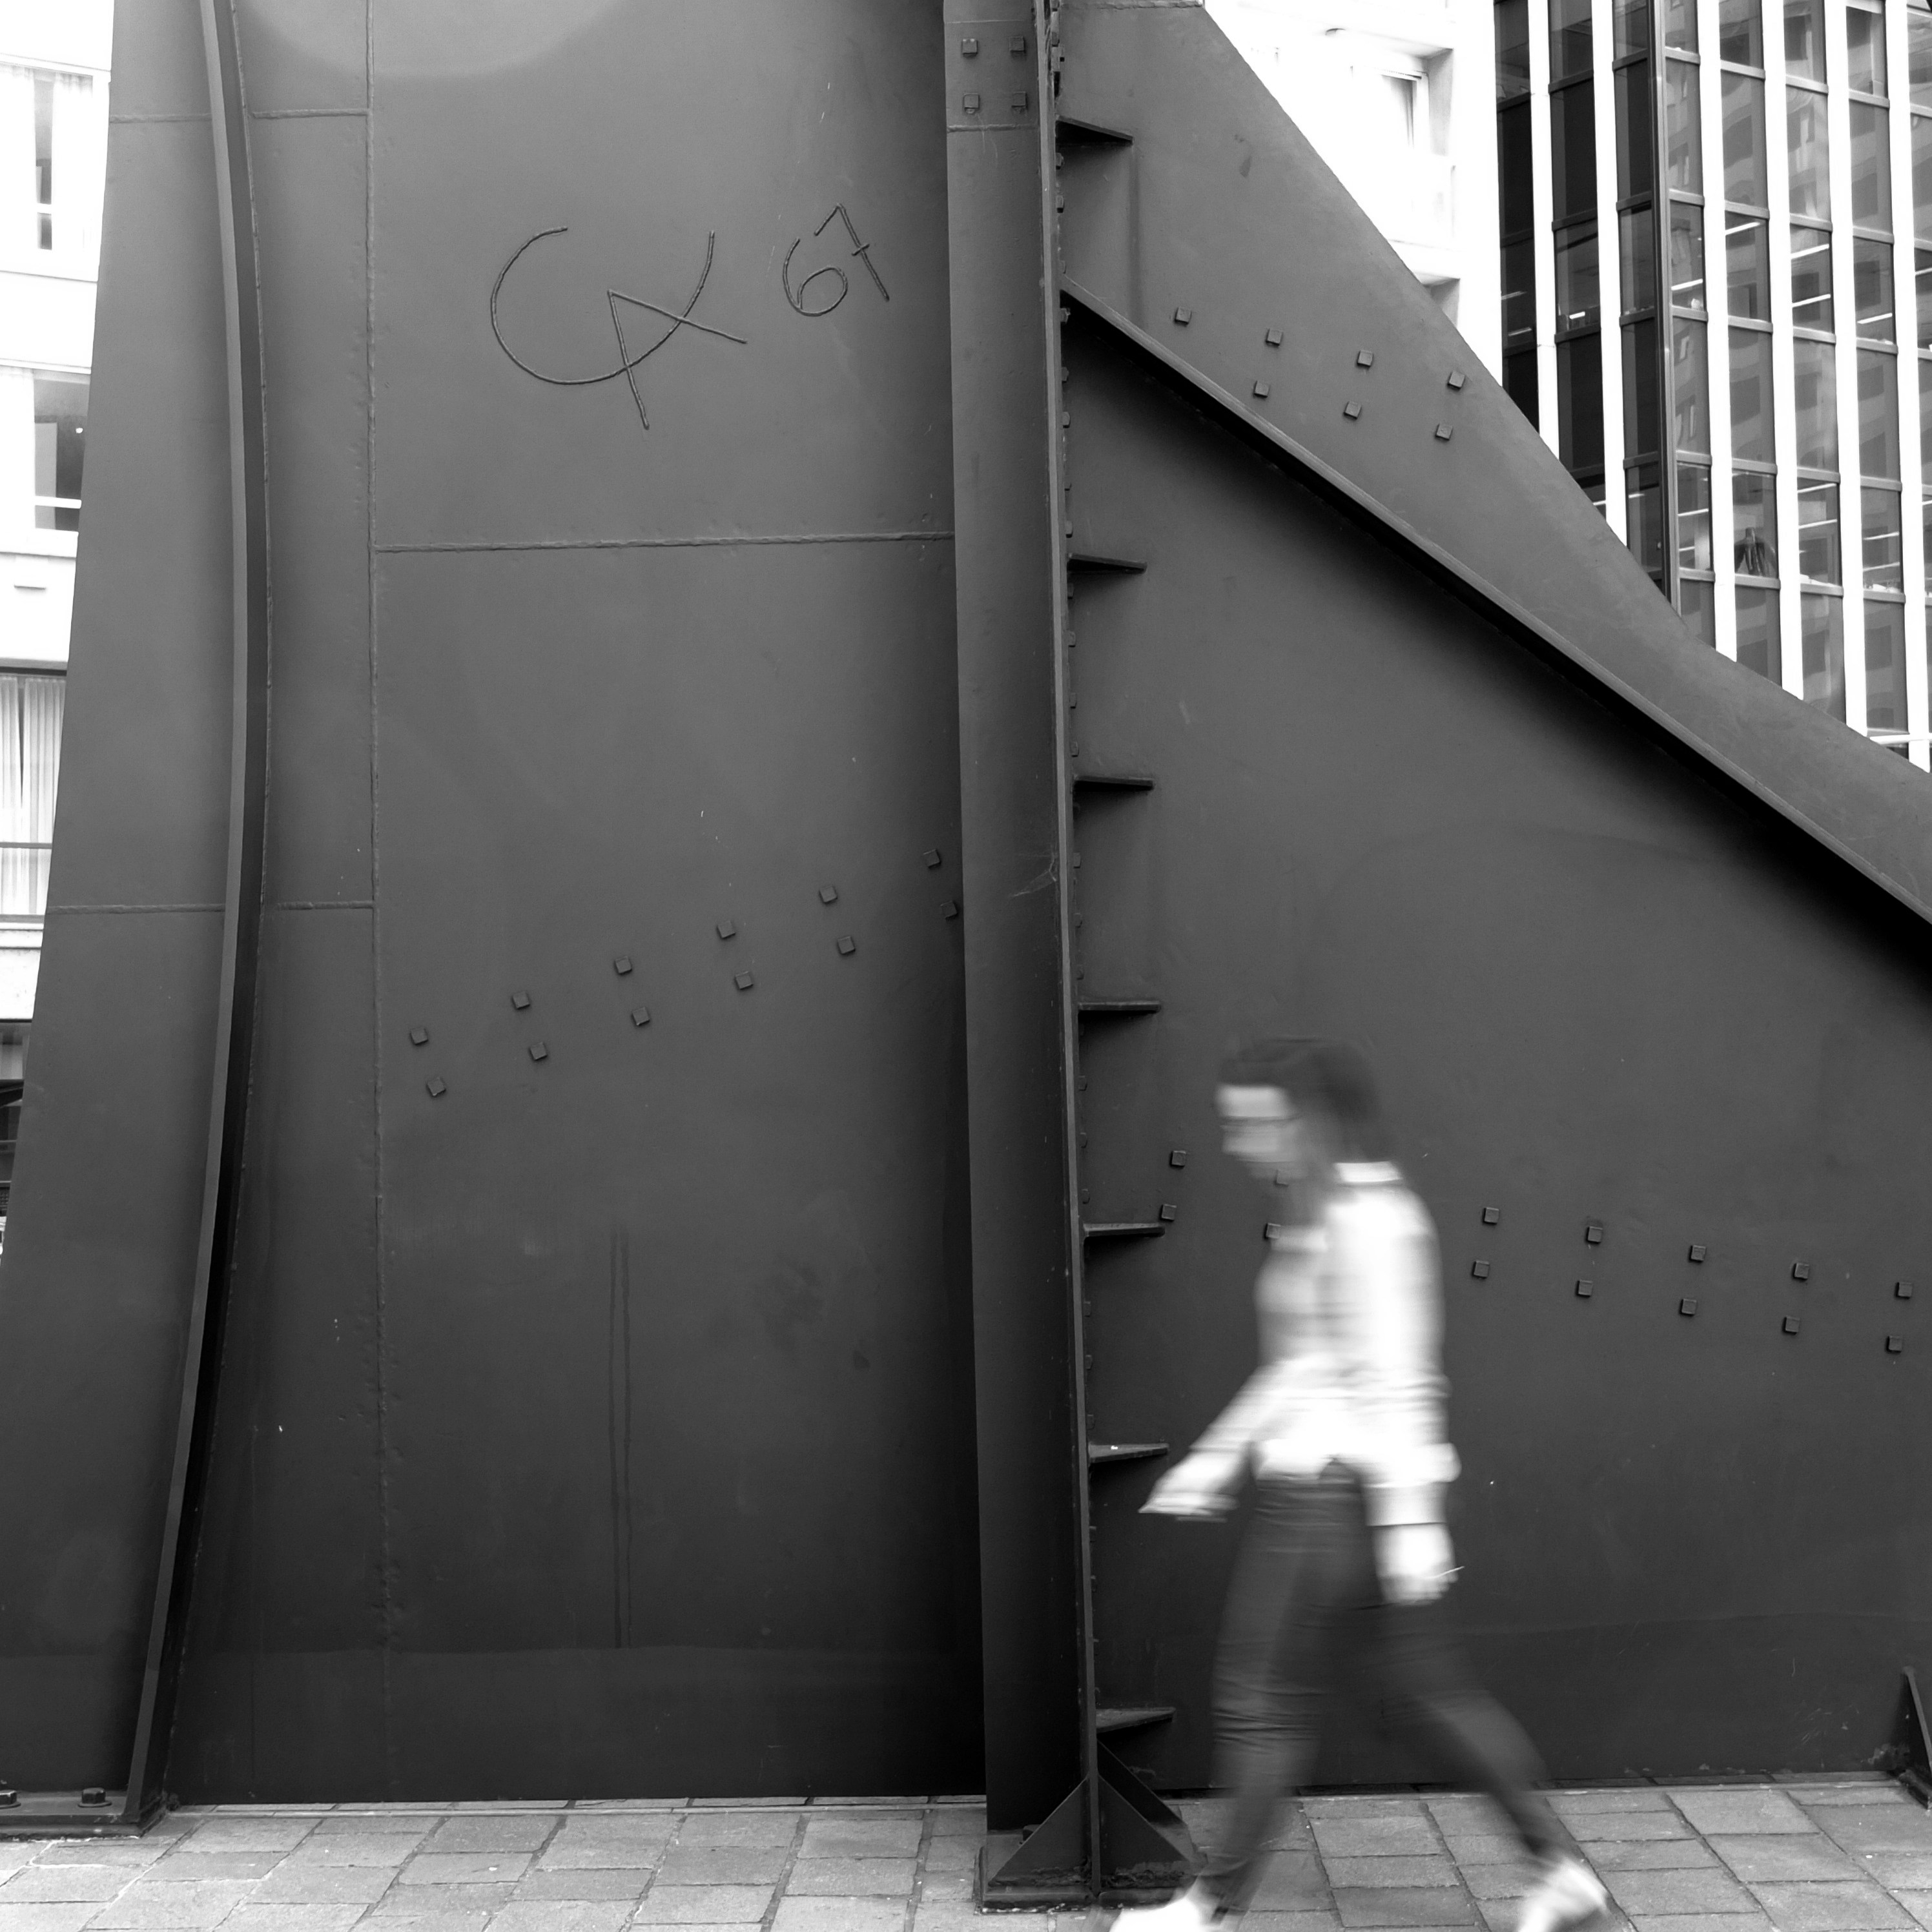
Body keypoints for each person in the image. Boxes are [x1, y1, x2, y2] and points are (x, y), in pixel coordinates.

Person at [1116, 1040, 1608, 1932]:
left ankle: (1209, 1907)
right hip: (1342, 1499)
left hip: (1328, 1502)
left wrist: (1414, 1525)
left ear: (1310, 1122)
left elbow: (1401, 1378)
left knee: (1262, 1705)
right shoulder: (1325, 1212)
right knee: (1425, 1698)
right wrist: (1217, 1459)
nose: (1239, 1142)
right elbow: (1306, 1364)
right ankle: (1563, 1875)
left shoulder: (1372, 1222)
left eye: (1258, 1123)